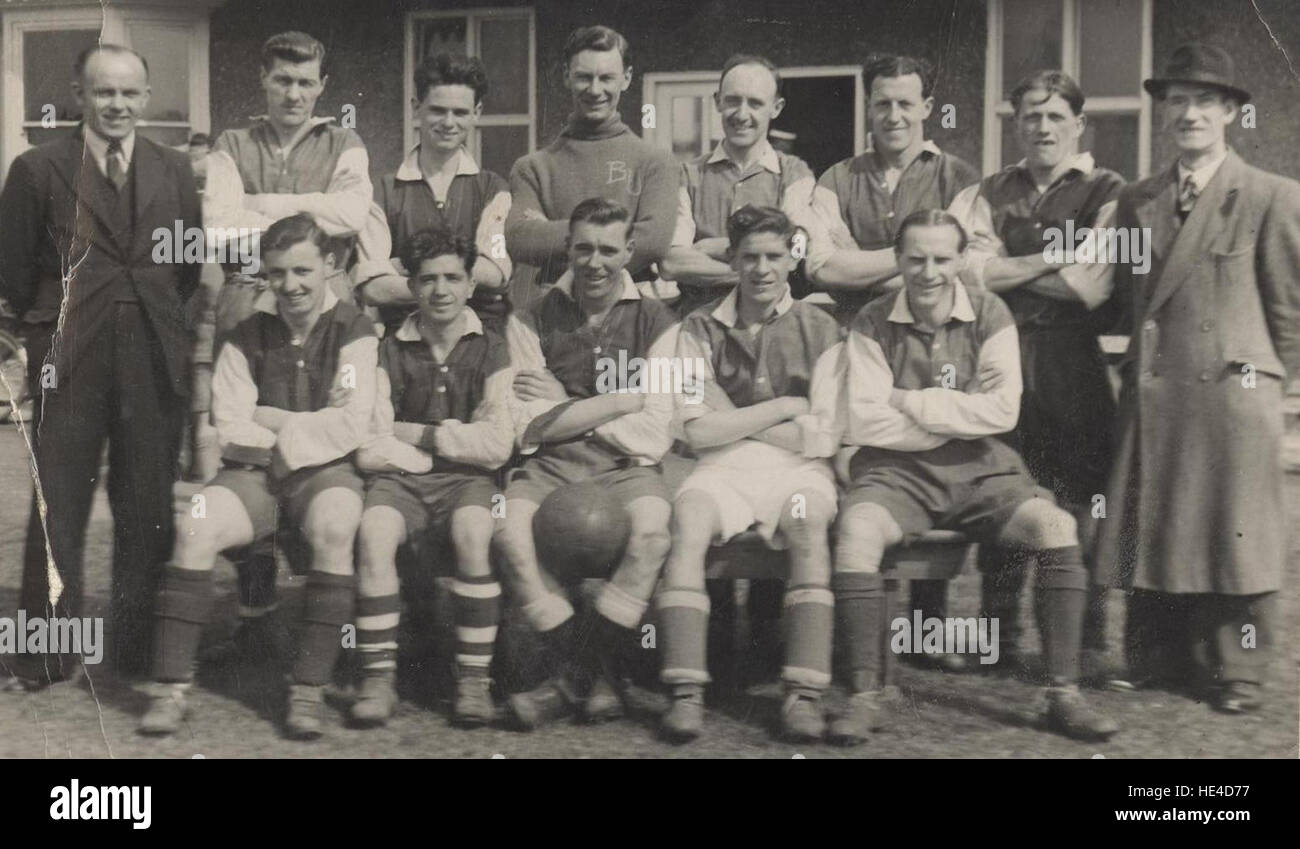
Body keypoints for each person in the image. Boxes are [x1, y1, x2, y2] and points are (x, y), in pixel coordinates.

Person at [811, 209, 1119, 745]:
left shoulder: (990, 310)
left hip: (981, 467)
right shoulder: (872, 320)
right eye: (916, 259)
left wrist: (908, 400)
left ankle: (1062, 694)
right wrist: (956, 411)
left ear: (960, 260)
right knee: (858, 533)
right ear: (898, 259)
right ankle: (865, 694)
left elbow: (1001, 412)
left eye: (941, 259)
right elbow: (864, 418)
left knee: (1056, 527)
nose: (929, 272)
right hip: (894, 471)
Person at [1096, 43, 1300, 713]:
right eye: (1177, 101)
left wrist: (1270, 386)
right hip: (1158, 388)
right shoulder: (1137, 199)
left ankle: (1237, 671)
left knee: (1235, 532)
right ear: (1163, 113)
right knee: (1155, 523)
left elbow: (1290, 310)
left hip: (1232, 393)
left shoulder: (1271, 196)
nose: (1189, 114)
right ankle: (1158, 659)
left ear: (1232, 113)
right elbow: (1131, 296)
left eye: (1205, 102)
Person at [0, 44, 201, 683]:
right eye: (104, 92)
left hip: (152, 356)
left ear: (147, 98)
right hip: (69, 358)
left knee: (146, 504)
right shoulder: (37, 168)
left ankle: (137, 649)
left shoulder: (175, 168)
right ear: (80, 96)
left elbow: (186, 268)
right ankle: (46, 652)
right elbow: (13, 271)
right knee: (58, 505)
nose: (117, 105)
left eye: (129, 93)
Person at [138, 213, 377, 739]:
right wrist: (298, 430)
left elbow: (352, 422)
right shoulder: (246, 332)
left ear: (329, 265)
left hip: (326, 473)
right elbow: (230, 423)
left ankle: (308, 689)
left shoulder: (353, 329)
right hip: (253, 472)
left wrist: (273, 421)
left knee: (337, 525)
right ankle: (170, 688)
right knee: (196, 525)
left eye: (302, 270)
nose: (290, 285)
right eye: (277, 273)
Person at [196, 31, 375, 661]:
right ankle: (256, 608)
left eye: (305, 82)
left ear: (322, 86)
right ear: (264, 81)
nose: (294, 93)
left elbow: (351, 216)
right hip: (248, 296)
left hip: (323, 301)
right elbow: (218, 228)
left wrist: (262, 206)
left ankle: (341, 612)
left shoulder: (344, 142)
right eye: (282, 80)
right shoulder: (232, 143)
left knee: (331, 448)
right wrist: (309, 211)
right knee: (244, 456)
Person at [805, 54, 980, 668]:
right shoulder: (837, 178)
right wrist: (915, 258)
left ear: (926, 107)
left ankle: (927, 631)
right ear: (868, 107)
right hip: (857, 344)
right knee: (856, 473)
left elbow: (959, 266)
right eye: (882, 103)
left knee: (927, 462)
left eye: (906, 103)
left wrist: (863, 259)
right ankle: (852, 630)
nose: (894, 115)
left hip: (933, 345)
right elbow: (821, 267)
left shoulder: (958, 176)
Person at [947, 70, 1123, 678]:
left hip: (1074, 363)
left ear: (1079, 124)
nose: (1043, 127)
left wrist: (1008, 268)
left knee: (1082, 500)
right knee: (1003, 490)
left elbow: (1089, 285)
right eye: (1031, 116)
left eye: (1055, 117)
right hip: (1000, 356)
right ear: (1016, 123)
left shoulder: (1108, 190)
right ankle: (997, 637)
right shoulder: (987, 190)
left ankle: (1084, 645)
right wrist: (1055, 256)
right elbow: (968, 274)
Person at [658, 205, 840, 743]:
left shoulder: (822, 327)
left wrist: (731, 416)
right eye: (750, 257)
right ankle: (686, 691)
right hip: (720, 468)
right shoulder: (697, 326)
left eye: (774, 256)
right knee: (689, 523)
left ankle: (803, 693)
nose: (762, 269)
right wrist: (784, 407)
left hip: (798, 471)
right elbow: (696, 433)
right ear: (733, 261)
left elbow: (823, 436)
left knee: (808, 525)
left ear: (792, 260)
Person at [494, 198, 677, 728]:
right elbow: (529, 426)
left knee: (653, 536)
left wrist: (569, 405)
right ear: (567, 249)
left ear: (630, 251)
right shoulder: (529, 317)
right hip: (549, 465)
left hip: (627, 465)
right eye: (583, 249)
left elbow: (655, 430)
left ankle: (569, 680)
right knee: (507, 533)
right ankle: (594, 676)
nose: (595, 262)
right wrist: (620, 400)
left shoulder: (660, 322)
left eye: (608, 250)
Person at [350, 229, 514, 728]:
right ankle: (378, 678)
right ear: (411, 287)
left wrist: (422, 434)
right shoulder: (387, 347)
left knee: (474, 531)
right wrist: (448, 443)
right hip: (398, 477)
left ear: (471, 285)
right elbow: (371, 442)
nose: (441, 290)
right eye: (427, 280)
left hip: (468, 481)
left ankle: (473, 681)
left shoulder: (492, 348)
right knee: (375, 532)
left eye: (452, 278)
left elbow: (497, 445)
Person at [504, 25, 677, 295]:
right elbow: (520, 240)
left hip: (631, 307)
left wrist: (552, 232)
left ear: (626, 78)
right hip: (557, 307)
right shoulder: (533, 167)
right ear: (566, 76)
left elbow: (654, 242)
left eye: (606, 78)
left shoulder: (655, 162)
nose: (595, 90)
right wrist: (620, 235)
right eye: (584, 77)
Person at [355, 53, 513, 337]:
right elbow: (373, 288)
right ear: (416, 108)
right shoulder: (381, 192)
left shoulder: (492, 188)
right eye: (438, 110)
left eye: (460, 112)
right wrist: (461, 277)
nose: (449, 122)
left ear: (476, 113)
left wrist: (402, 268)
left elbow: (496, 271)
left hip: (481, 339)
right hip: (404, 342)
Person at [658, 54, 817, 318]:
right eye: (733, 100)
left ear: (776, 108)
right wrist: (765, 266)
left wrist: (710, 248)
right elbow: (671, 263)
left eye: (755, 103)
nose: (742, 115)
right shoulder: (687, 174)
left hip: (772, 324)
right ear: (717, 101)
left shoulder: (795, 174)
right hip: (700, 324)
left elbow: (798, 253)